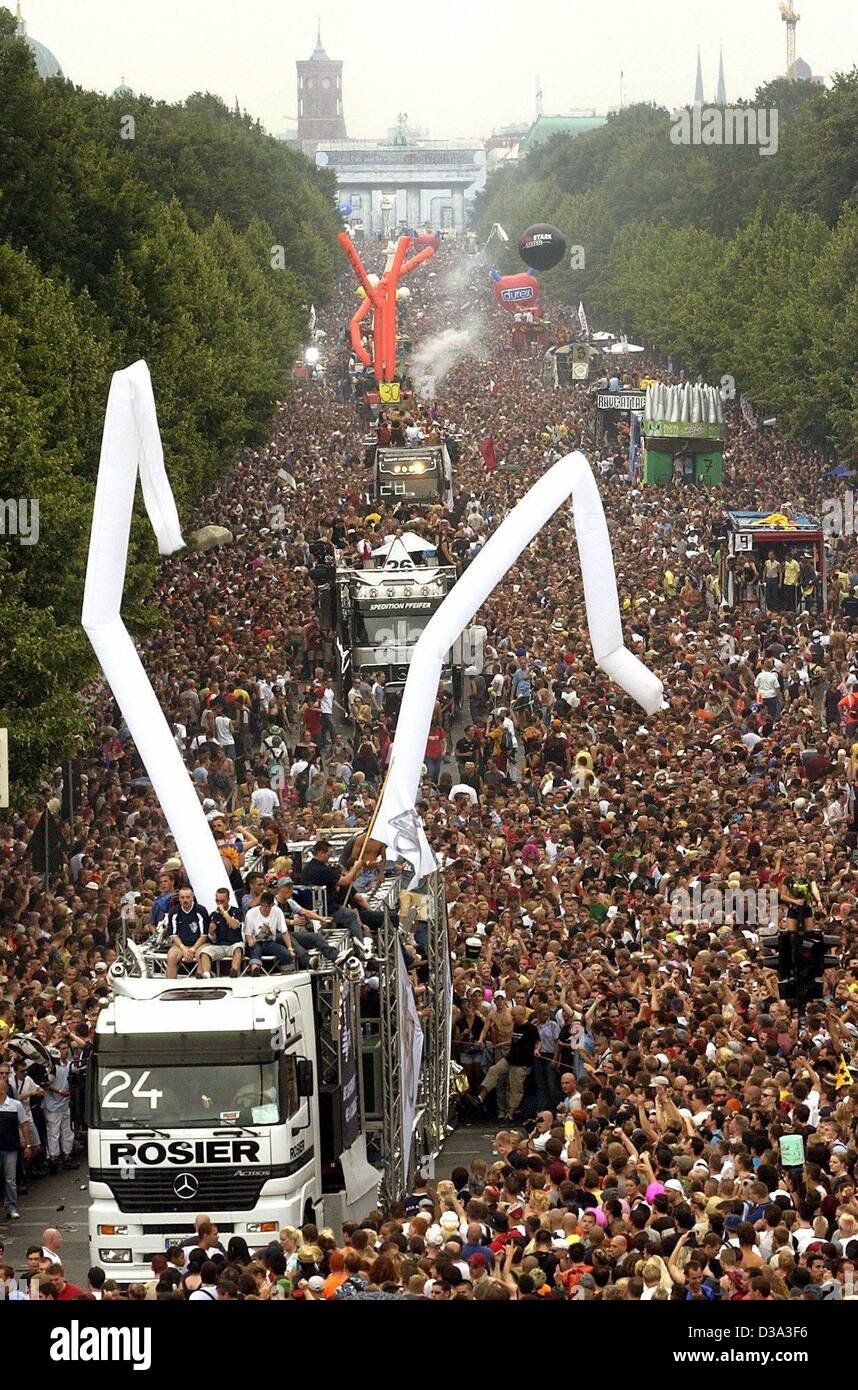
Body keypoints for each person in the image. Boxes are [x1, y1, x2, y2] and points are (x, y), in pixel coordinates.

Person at [0, 1059, 31, 1219]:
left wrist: (27, 1144)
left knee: (10, 1179)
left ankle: (11, 1206)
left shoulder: (15, 1105)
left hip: (11, 1146)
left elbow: (24, 1124)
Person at [165, 887, 210, 979]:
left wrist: (193, 949)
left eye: (188, 897)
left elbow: (204, 935)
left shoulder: (201, 910)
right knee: (171, 957)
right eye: (182, 897)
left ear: (192, 898)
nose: (185, 900)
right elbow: (174, 935)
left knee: (201, 955)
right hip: (181, 944)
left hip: (199, 944)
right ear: (179, 898)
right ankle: (170, 985)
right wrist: (183, 948)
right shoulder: (174, 912)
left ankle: (199, 986)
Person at [199, 887, 245, 977]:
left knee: (238, 948)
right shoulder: (213, 915)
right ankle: (206, 974)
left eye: (222, 901)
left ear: (228, 899)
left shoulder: (236, 911)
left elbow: (235, 925)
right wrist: (211, 932)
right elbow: (213, 939)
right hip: (219, 945)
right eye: (217, 901)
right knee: (204, 952)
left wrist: (224, 912)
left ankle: (234, 971)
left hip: (234, 943)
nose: (219, 903)